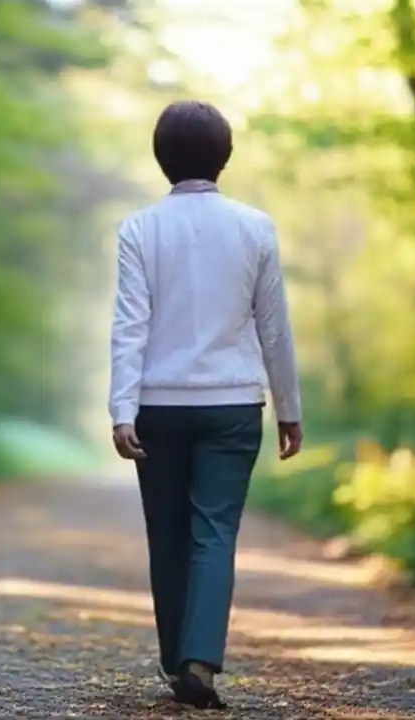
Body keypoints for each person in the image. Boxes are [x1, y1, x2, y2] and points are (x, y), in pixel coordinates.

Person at [108, 99, 303, 710]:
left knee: (165, 533)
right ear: (225, 157)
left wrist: (122, 406)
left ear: (160, 158)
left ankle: (175, 663)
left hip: (158, 407)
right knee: (214, 532)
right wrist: (288, 405)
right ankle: (199, 663)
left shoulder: (140, 228)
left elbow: (129, 327)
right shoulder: (255, 227)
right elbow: (274, 328)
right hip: (233, 405)